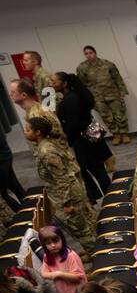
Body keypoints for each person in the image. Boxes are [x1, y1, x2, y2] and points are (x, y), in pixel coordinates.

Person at [25, 117, 95, 247]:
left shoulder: (46, 151)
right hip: (70, 189)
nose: (25, 132)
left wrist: (67, 203)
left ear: (38, 132)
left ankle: (94, 254)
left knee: (80, 227)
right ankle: (92, 250)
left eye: (28, 130)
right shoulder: (46, 144)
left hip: (68, 194)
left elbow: (61, 178)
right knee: (84, 223)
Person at [52, 72, 112, 202]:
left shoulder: (71, 99)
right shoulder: (71, 96)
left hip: (85, 141)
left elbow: (73, 124)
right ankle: (109, 198)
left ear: (65, 84)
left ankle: (113, 200)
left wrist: (67, 139)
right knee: (97, 170)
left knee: (98, 171)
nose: (52, 85)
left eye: (54, 82)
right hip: (88, 138)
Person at [76, 45, 130, 144]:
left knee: (119, 114)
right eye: (86, 54)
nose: (89, 55)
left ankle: (124, 134)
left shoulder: (107, 64)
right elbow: (82, 84)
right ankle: (116, 135)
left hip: (113, 94)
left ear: (95, 53)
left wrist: (122, 91)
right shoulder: (82, 68)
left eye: (90, 53)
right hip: (97, 97)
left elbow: (117, 78)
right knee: (107, 117)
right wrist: (86, 98)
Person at [35, 225, 86, 293]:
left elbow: (78, 277)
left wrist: (59, 274)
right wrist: (57, 274)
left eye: (56, 241)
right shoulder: (48, 256)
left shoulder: (71, 256)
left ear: (62, 239)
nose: (53, 245)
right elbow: (44, 273)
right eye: (48, 243)